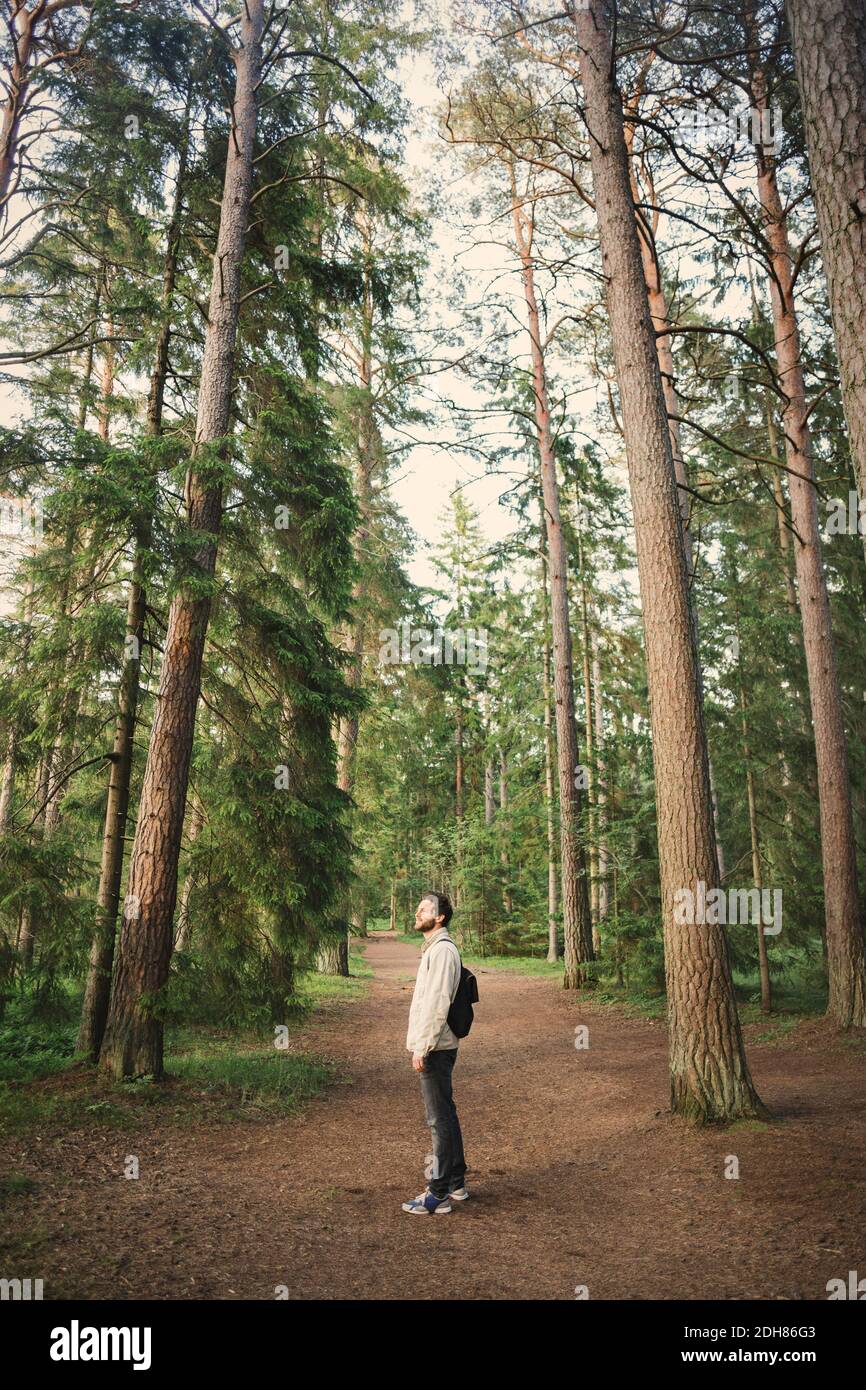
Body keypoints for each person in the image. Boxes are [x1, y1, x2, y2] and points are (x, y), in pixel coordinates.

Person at [402, 891, 468, 1215]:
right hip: (439, 1045)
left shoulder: (441, 951)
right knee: (446, 1114)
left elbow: (438, 1003)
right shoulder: (434, 949)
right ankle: (456, 1181)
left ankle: (438, 1192)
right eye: (419, 906)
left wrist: (422, 1047)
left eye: (425, 908)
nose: (418, 911)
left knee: (437, 1120)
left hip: (436, 1047)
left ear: (439, 916)